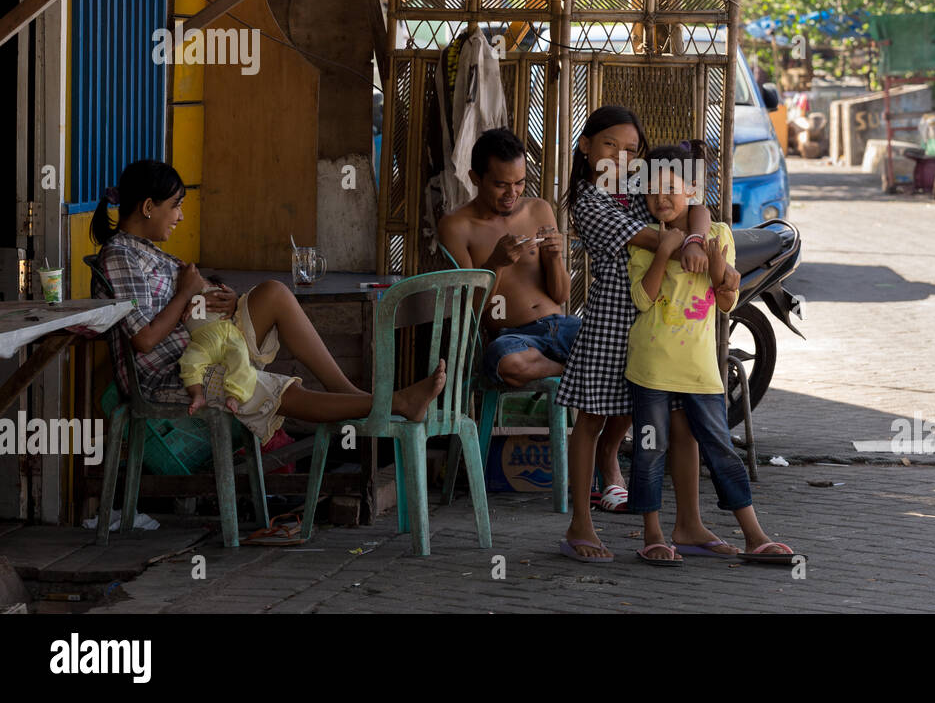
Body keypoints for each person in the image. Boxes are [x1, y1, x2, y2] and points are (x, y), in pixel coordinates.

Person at [92, 160, 445, 447]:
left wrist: (224, 297)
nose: (181, 217)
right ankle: (394, 402)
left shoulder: (147, 250)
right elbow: (144, 339)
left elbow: (192, 291)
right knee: (282, 389)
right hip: (179, 372)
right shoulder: (120, 256)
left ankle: (350, 395)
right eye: (176, 207)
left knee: (273, 292)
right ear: (149, 207)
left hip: (204, 342)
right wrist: (186, 294)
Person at [556, 106, 740, 562]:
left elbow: (697, 206)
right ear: (585, 147)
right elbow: (661, 241)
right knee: (591, 420)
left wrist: (698, 238)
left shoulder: (643, 188)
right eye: (609, 146)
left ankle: (689, 525)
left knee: (680, 427)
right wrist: (698, 245)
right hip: (612, 324)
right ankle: (580, 523)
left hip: (659, 332)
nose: (621, 157)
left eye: (631, 150)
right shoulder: (589, 202)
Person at [625, 141, 797, 565]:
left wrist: (724, 271)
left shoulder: (718, 235)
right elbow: (642, 301)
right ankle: (652, 535)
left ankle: (754, 535)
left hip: (701, 369)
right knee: (650, 449)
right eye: (650, 190)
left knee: (720, 448)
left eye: (670, 188)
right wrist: (664, 253)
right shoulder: (643, 241)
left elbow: (725, 302)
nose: (660, 198)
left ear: (693, 189)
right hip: (650, 367)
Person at [437, 128, 574, 389]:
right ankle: (576, 371)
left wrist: (555, 258)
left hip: (561, 326)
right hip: (514, 339)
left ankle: (572, 372)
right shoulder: (457, 226)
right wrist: (495, 265)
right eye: (501, 185)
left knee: (624, 344)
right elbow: (472, 312)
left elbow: (560, 296)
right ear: (475, 178)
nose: (512, 193)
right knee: (503, 361)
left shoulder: (539, 210)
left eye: (520, 183)